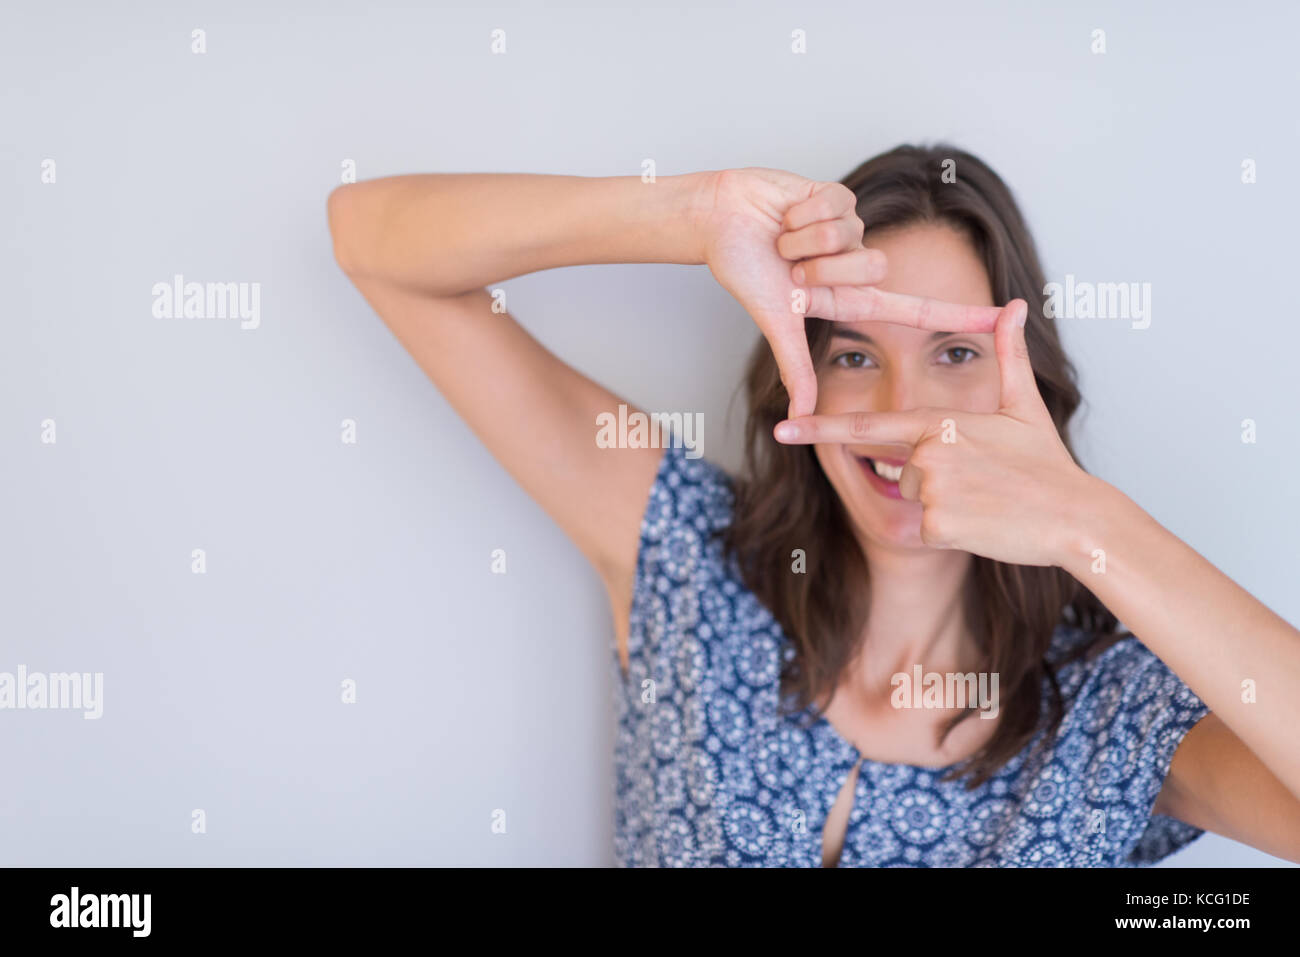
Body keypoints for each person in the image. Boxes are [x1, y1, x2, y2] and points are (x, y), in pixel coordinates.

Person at [326, 144, 1300, 867]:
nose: (897, 412)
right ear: (799, 375)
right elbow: (370, 240)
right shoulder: (685, 553)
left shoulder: (1115, 713)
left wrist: (1089, 524)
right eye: (851, 354)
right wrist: (685, 213)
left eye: (954, 355)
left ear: (1029, 387)